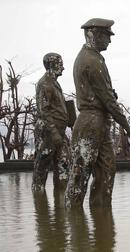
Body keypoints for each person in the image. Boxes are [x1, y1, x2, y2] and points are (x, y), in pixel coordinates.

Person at [65, 18, 130, 208]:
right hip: (90, 121)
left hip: (99, 121)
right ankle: (74, 226)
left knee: (107, 170)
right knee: (80, 175)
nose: (109, 41)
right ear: (93, 34)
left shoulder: (92, 58)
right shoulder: (91, 61)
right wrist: (126, 125)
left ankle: (102, 220)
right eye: (106, 36)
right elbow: (108, 100)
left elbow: (103, 94)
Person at [32, 53, 70, 191]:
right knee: (42, 165)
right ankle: (39, 202)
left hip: (59, 131)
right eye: (60, 64)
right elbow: (44, 110)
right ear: (51, 65)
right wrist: (54, 133)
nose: (63, 67)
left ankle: (61, 205)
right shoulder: (45, 83)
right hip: (48, 131)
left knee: (64, 163)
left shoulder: (54, 83)